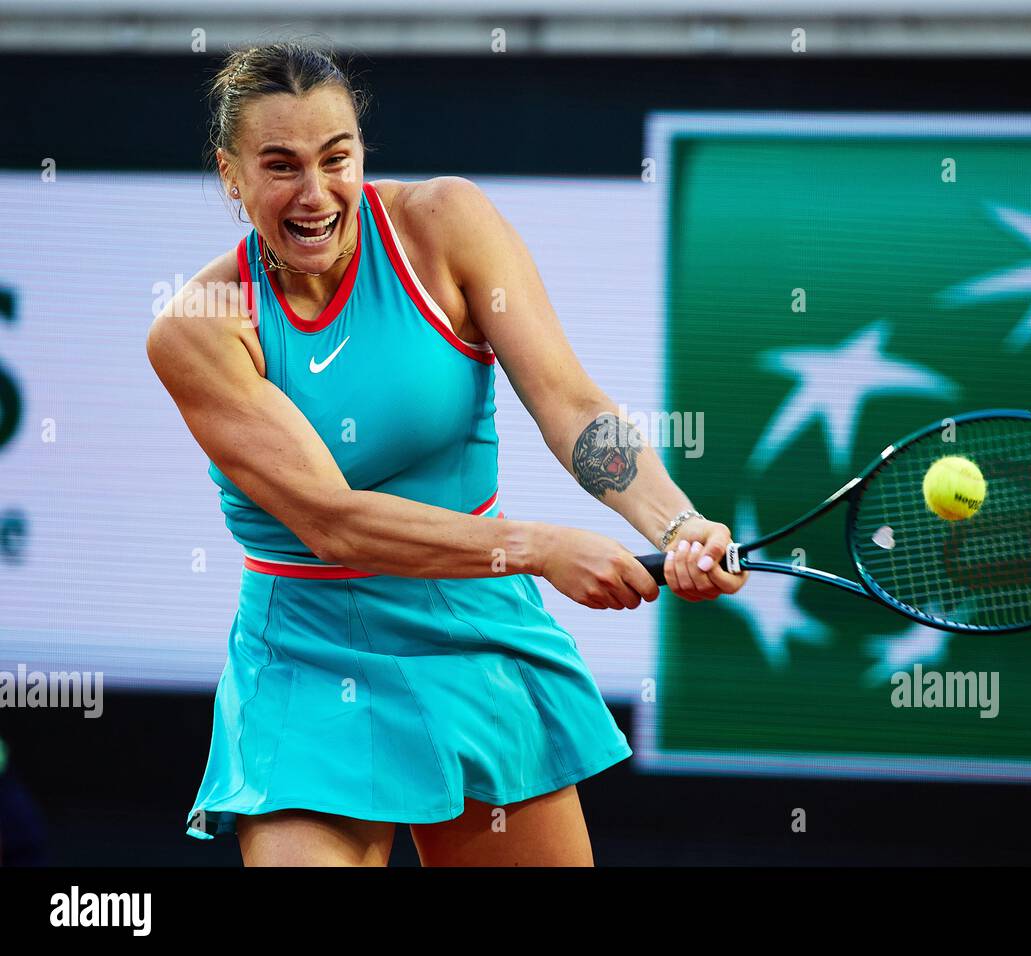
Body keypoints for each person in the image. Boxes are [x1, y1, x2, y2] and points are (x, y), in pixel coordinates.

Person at [145, 41, 748, 867]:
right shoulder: (199, 327)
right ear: (231, 175)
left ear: (362, 153)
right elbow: (335, 524)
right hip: (308, 656)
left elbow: (572, 408)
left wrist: (675, 520)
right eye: (280, 166)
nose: (315, 194)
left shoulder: (444, 225)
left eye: (336, 158)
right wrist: (539, 549)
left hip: (470, 632)